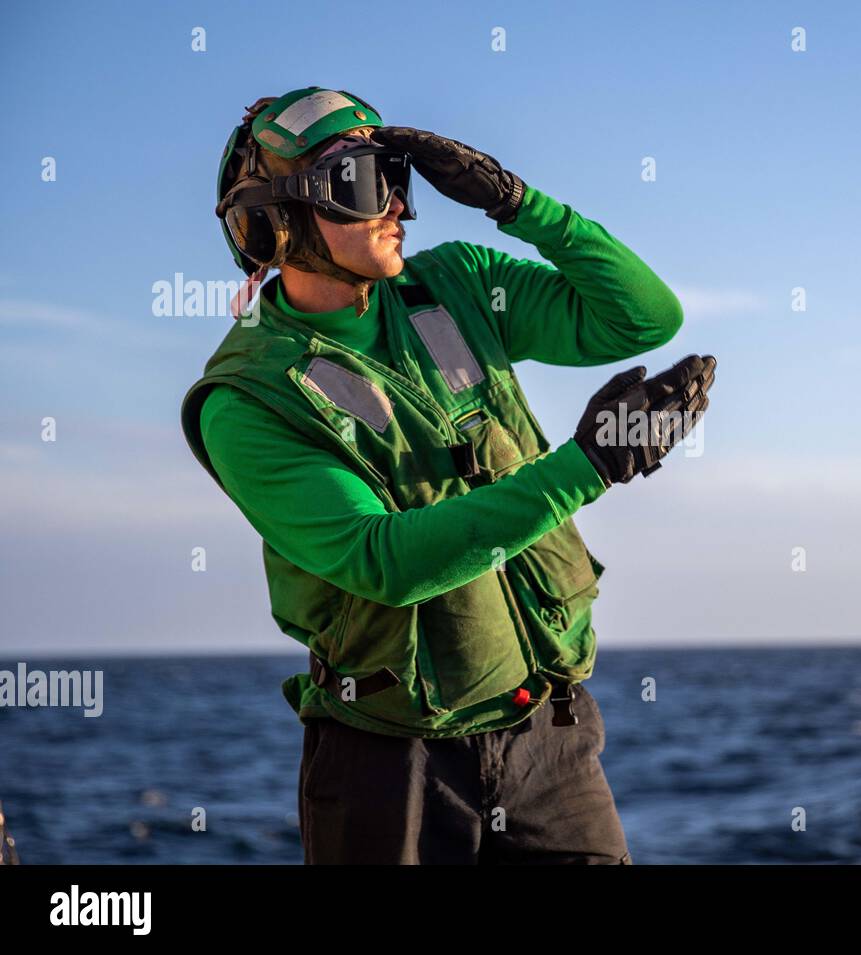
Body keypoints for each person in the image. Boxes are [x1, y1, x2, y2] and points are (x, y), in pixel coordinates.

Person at [179, 87, 716, 864]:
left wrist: (514, 200)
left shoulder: (460, 285)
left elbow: (642, 318)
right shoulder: (245, 400)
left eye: (399, 175)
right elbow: (383, 561)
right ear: (276, 219)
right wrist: (587, 465)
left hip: (547, 740)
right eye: (363, 183)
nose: (398, 204)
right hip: (391, 771)